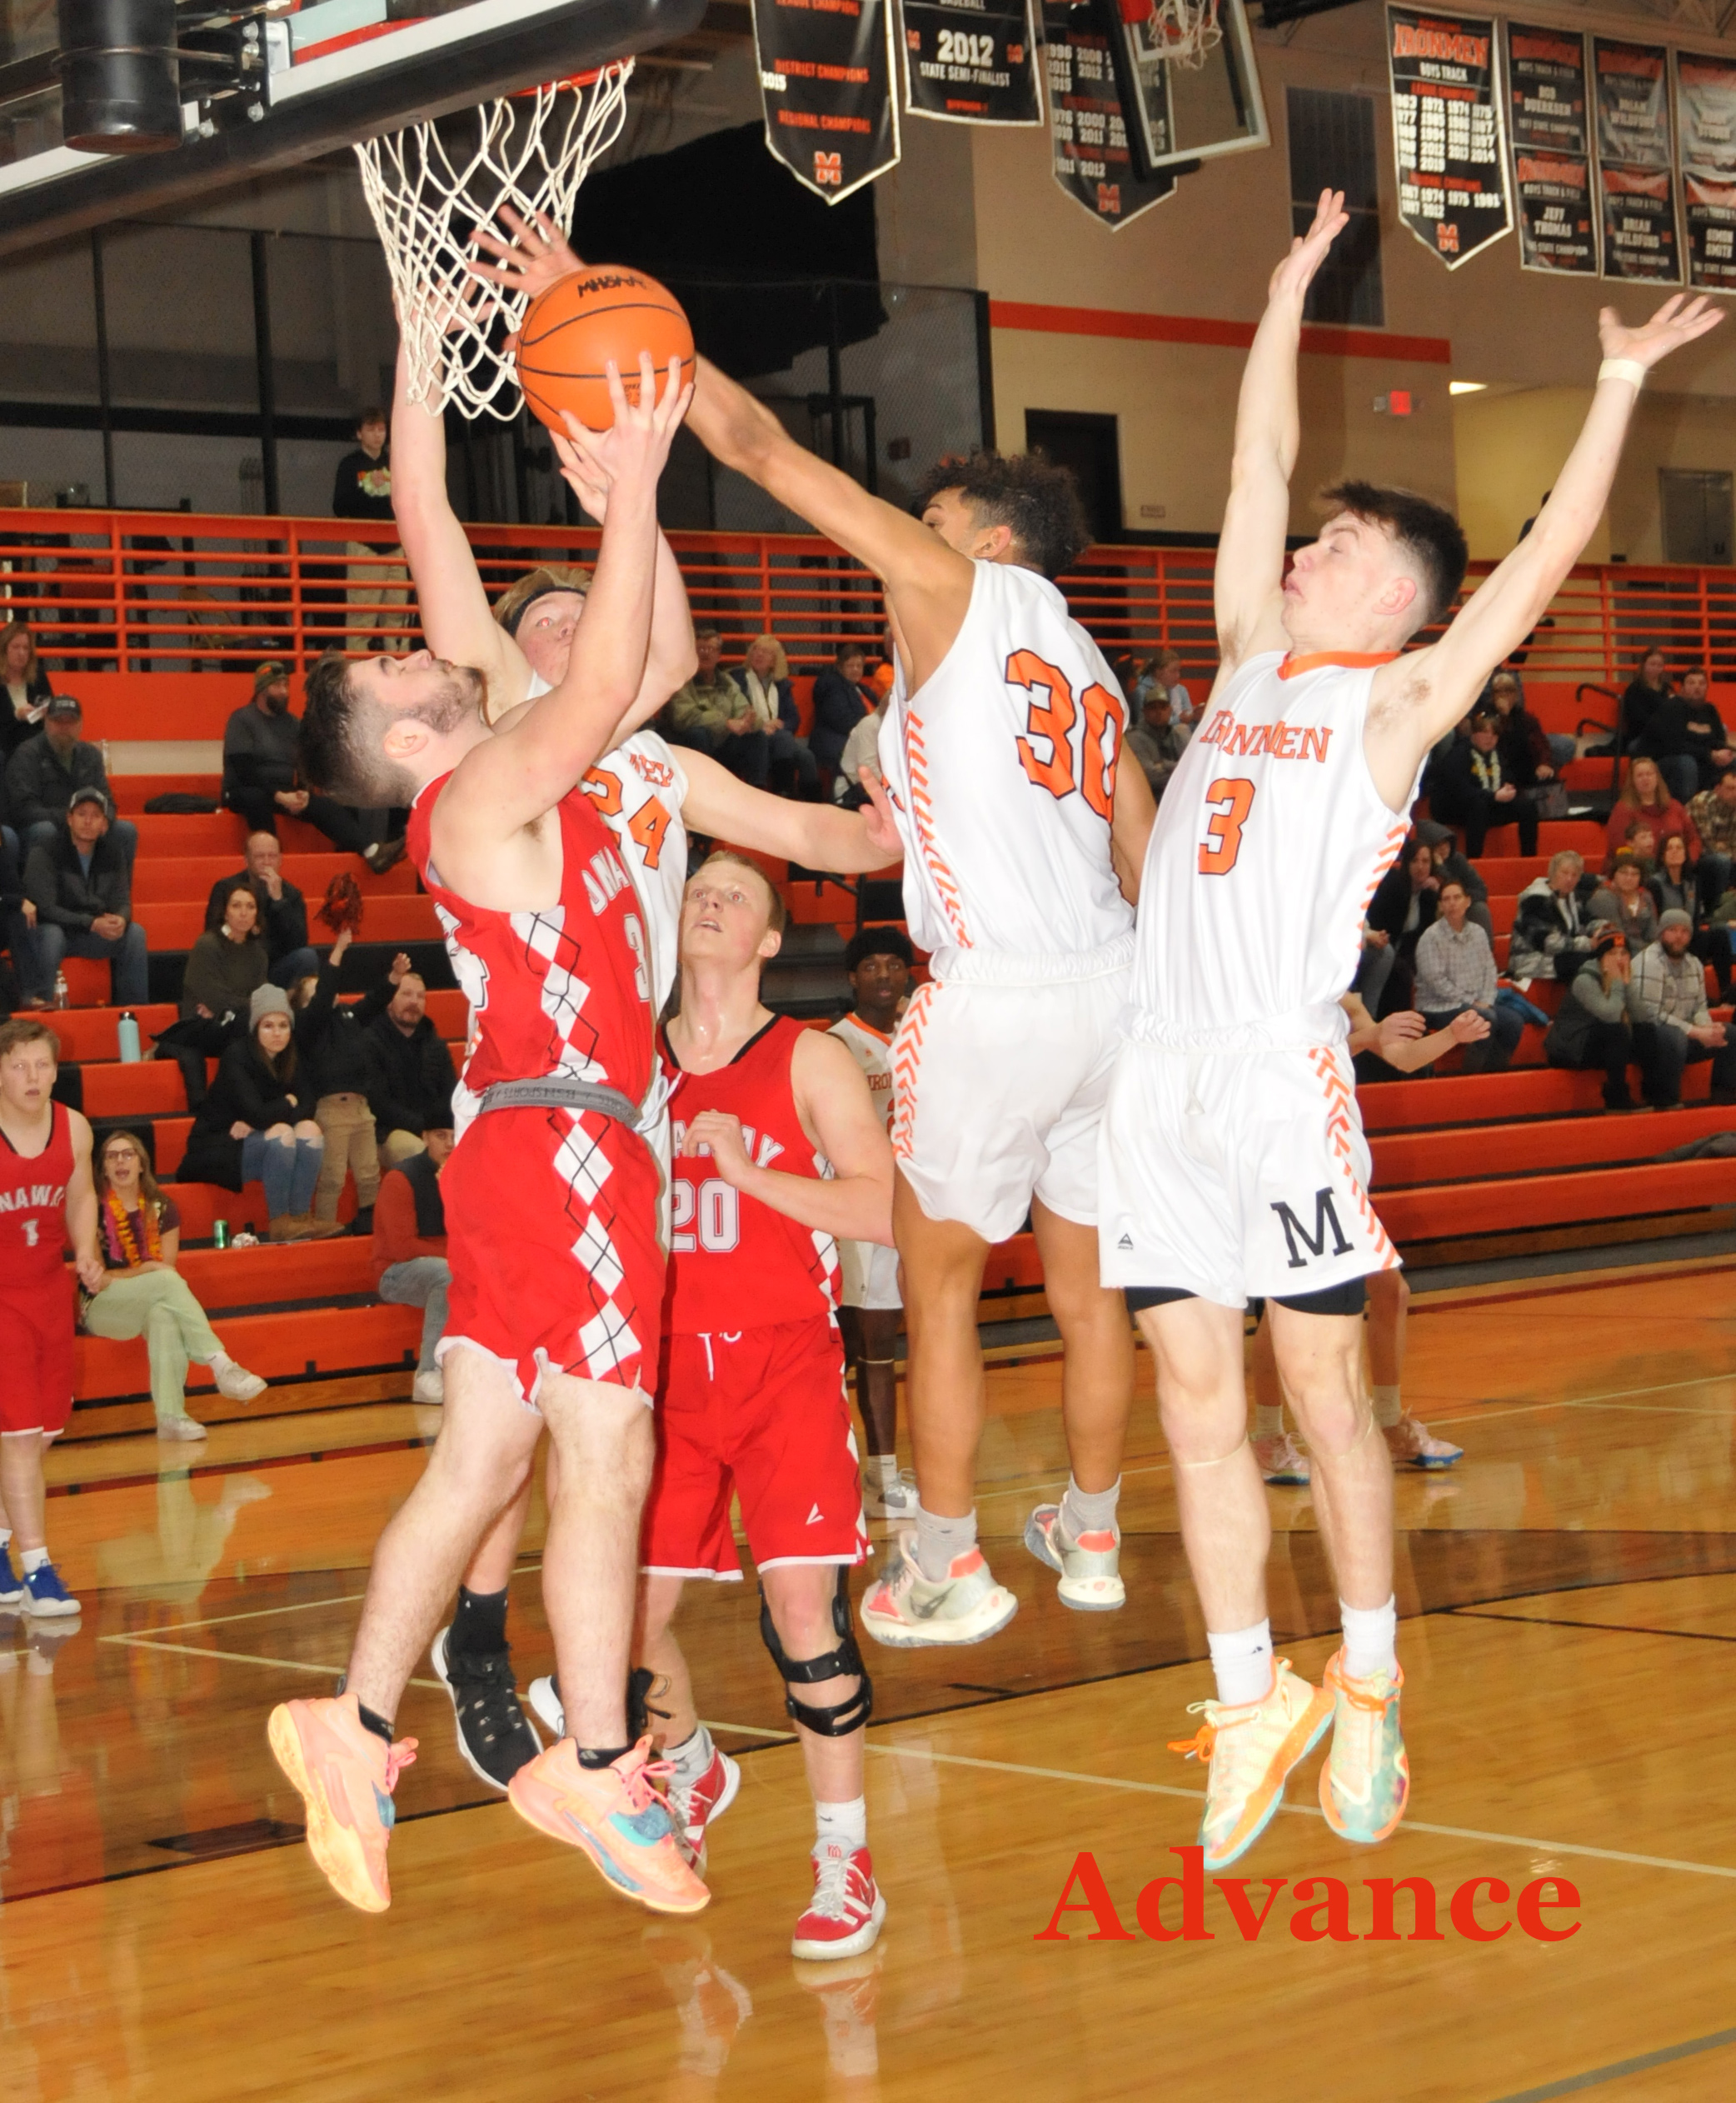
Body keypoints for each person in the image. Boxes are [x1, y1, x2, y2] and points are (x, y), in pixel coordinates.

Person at [1098, 190, 1719, 1870]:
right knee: (1189, 1404)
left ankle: (1364, 1684)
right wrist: (1288, 288)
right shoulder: (1239, 658)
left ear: (1399, 592)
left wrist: (1604, 393)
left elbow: (1536, 568)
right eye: (1312, 536)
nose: (1303, 545)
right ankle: (1248, 1696)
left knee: (1317, 1395)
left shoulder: (1395, 697)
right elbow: (1248, 467)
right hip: (1152, 1074)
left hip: (1277, 1072)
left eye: (1340, 543)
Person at [381, 223, 905, 1794]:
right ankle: (481, 1629)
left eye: (572, 618)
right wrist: (425, 360)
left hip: (644, 1086)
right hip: (536, 1091)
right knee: (535, 1417)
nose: (558, 636)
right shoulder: (504, 719)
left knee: (599, 1415)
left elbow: (826, 826)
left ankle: (619, 1699)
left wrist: (911, 801)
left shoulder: (656, 746)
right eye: (532, 628)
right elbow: (427, 523)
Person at [272, 347, 706, 1920]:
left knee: (480, 1462)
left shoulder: (501, 770)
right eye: (396, 668)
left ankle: (355, 1716)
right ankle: (595, 1755)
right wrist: (636, 478)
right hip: (570, 1142)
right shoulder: (472, 791)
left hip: (533, 1149)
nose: (417, 651)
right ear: (399, 740)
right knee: (608, 1446)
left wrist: (412, 345)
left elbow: (602, 636)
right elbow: (600, 684)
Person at [681, 305, 1157, 1651]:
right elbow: (1138, 837)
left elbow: (765, 449)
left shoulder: (956, 590)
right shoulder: (1080, 652)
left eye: (932, 514)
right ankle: (1091, 1524)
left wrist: (657, 345)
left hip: (998, 987)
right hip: (1107, 983)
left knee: (936, 1280)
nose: (908, 532)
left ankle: (943, 1562)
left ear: (987, 537)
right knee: (1086, 1291)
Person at [531, 853, 895, 1960]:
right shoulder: (627, 1060)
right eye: (699, 887)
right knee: (612, 1636)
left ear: (772, 942)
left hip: (783, 1362)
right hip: (661, 1376)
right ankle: (691, 1767)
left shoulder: (810, 1056)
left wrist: (749, 1178)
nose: (709, 899)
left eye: (736, 895)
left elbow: (884, 1210)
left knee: (805, 1623)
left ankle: (846, 1859)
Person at [0, 1017, 100, 1619]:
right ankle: (38, 1568)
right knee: (16, 1436)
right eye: (18, 1066)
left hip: (47, 1293)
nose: (32, 1077)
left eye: (41, 1065)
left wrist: (85, 1249)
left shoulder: (75, 1127)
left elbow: (81, 1194)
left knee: (40, 1437)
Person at [80, 1128, 267, 1440]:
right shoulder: (92, 1209)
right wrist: (148, 1269)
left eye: (128, 1154)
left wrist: (149, 1270)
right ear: (103, 1168)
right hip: (103, 1306)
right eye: (111, 1156)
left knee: (164, 1315)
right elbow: (100, 1279)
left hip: (150, 1300)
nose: (120, 1161)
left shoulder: (164, 1208)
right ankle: (220, 1364)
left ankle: (171, 1418)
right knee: (165, 1279)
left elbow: (163, 1271)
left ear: (142, 1164)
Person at [829, 924, 916, 1523]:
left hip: (917, 1203)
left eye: (894, 964)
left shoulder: (923, 1031)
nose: (883, 975)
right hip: (862, 1211)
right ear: (852, 977)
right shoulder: (836, 1046)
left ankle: (882, 1470)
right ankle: (879, 1478)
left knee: (900, 1345)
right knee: (873, 1350)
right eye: (871, 966)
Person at [178, 987, 343, 1242]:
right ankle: (279, 1222)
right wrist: (286, 1104)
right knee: (284, 1132)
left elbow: (308, 1105)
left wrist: (262, 1122)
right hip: (219, 1147)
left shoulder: (292, 1056)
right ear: (255, 1027)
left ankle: (300, 1218)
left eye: (283, 1025)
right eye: (268, 1026)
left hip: (258, 1140)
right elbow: (257, 1112)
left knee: (309, 1129)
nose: (277, 1033)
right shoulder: (237, 1055)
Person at [222, 662, 403, 871]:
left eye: (286, 686)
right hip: (245, 789)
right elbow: (243, 769)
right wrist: (278, 795)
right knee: (256, 800)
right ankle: (268, 861)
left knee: (323, 805)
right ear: (262, 690)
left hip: (283, 791)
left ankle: (371, 851)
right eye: (277, 686)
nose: (284, 692)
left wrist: (303, 792)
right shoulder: (242, 719)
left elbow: (305, 763)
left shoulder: (292, 724)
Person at [289, 927, 394, 1231]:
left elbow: (373, 1004)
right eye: (317, 990)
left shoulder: (347, 1016)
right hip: (333, 1109)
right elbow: (321, 1003)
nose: (326, 991)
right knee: (333, 1175)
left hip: (361, 1108)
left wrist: (393, 979)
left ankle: (370, 1225)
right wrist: (337, 953)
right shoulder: (309, 1026)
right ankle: (325, 1225)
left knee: (369, 1172)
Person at [24, 788, 148, 1006]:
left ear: (104, 823)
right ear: (69, 819)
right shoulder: (45, 850)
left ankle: (134, 1010)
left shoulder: (112, 852)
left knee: (135, 933)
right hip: (55, 930)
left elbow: (122, 898)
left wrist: (121, 918)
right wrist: (91, 923)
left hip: (90, 933)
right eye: (82, 814)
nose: (88, 821)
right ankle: (41, 1004)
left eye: (96, 815)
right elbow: (45, 908)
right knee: (52, 935)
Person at [7, 695, 137, 877]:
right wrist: (71, 820)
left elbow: (106, 800)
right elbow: (23, 810)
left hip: (84, 823)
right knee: (44, 830)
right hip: (43, 828)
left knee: (125, 831)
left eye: (70, 721)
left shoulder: (91, 755)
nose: (64, 727)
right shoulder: (27, 754)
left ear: (81, 724)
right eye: (57, 721)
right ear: (46, 722)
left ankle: (117, 902)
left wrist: (104, 818)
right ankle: (40, 902)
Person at [373, 1118, 453, 1406]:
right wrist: (462, 1259)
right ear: (425, 1137)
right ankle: (427, 1374)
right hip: (396, 1273)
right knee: (447, 1275)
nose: (449, 1143)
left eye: (456, 1135)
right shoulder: (402, 1178)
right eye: (440, 1134)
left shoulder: (470, 1177)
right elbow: (402, 1247)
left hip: (446, 1264)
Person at [1412, 878, 1523, 1071]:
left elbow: (1490, 970)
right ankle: (1470, 1076)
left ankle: (1494, 1073)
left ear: (1468, 901)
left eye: (1457, 897)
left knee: (1513, 1021)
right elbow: (1437, 982)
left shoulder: (1478, 932)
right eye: (1446, 899)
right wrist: (1471, 1002)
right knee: (1484, 1018)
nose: (1452, 903)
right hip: (1438, 1006)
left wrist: (1486, 1000)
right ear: (1441, 905)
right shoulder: (1430, 937)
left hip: (1477, 1003)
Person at [1630, 910, 1736, 1108]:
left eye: (1684, 931)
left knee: (1729, 1033)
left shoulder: (1694, 964)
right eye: (1672, 930)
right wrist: (1694, 1031)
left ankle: (1723, 1102)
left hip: (1685, 1033)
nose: (1679, 936)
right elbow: (1650, 1013)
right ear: (1661, 933)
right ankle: (1666, 1102)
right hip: (1648, 1037)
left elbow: (1700, 1006)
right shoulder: (1648, 962)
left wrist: (1707, 1028)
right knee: (1674, 1037)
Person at [362, 963, 459, 1169]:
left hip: (433, 1130)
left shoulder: (435, 1044)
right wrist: (426, 1129)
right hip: (387, 1132)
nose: (414, 1002)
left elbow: (450, 1094)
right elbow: (378, 1103)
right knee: (416, 1152)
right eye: (406, 994)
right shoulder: (370, 1041)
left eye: (420, 996)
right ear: (389, 1000)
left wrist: (438, 1131)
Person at [203, 831, 318, 987]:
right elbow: (213, 934)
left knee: (307, 957)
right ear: (246, 859)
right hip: (238, 966)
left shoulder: (292, 895)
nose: (266, 862)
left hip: (275, 969)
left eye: (272, 856)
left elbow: (299, 943)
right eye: (259, 856)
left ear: (280, 860)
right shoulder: (225, 888)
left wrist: (278, 901)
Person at [333, 406, 407, 646]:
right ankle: (356, 671)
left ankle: (400, 666)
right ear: (359, 434)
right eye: (371, 429)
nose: (378, 434)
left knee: (397, 614)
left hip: (395, 545)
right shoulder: (349, 465)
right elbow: (340, 506)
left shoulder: (396, 462)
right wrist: (368, 487)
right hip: (364, 545)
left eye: (382, 429)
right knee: (362, 615)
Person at [665, 625, 770, 787]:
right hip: (687, 746)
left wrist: (749, 722)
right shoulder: (682, 681)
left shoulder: (727, 682)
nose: (705, 653)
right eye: (700, 649)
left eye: (711, 649)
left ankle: (757, 790)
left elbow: (744, 710)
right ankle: (702, 789)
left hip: (722, 745)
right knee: (699, 734)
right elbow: (684, 717)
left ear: (719, 655)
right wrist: (726, 723)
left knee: (757, 737)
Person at [1544, 939, 1639, 1111]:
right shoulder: (1584, 979)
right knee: (1617, 1032)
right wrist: (1618, 982)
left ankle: (1660, 1098)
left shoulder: (1621, 975)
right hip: (1569, 1047)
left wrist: (1627, 983)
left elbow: (1641, 1015)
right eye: (1612, 954)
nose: (1618, 959)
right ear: (1601, 958)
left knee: (1648, 1031)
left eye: (1623, 953)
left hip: (1595, 1041)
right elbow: (1610, 1015)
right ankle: (1617, 1100)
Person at [1426, 708, 1538, 856]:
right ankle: (1475, 861)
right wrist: (1493, 797)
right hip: (1456, 807)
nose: (1489, 738)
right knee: (1478, 806)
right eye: (1485, 733)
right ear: (1474, 733)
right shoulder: (1459, 754)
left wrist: (1509, 788)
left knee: (1528, 806)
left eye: (1494, 734)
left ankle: (1528, 858)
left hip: (1488, 803)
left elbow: (1507, 777)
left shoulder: (1497, 755)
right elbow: (1461, 790)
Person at [1357, 835, 1438, 1016]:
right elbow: (1378, 923)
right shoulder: (1393, 884)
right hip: (1378, 945)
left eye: (1426, 861)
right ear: (1407, 863)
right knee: (1400, 973)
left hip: (1406, 953)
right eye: (1415, 861)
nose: (1421, 866)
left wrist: (1438, 893)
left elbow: (1426, 937)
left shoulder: (1429, 896)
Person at [1509, 848, 1611, 986]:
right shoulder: (1535, 899)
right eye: (1564, 873)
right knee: (1582, 962)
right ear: (1552, 873)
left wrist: (1602, 928)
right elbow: (1547, 942)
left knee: (1608, 950)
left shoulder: (1570, 896)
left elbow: (1585, 920)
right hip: (1531, 959)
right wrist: (1587, 944)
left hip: (1560, 956)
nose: (1569, 879)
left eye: (1575, 875)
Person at [1634, 665, 1734, 803]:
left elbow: (1718, 741)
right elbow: (1675, 745)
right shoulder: (1672, 707)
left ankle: (1724, 810)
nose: (1697, 687)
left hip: (1699, 759)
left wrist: (1726, 752)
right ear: (1682, 687)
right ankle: (1685, 812)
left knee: (1732, 761)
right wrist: (1710, 754)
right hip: (1663, 763)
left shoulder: (1710, 710)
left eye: (1701, 683)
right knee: (1687, 763)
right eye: (1691, 683)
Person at [1647, 831, 1729, 999]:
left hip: (1690, 934)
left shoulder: (1693, 882)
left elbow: (1696, 917)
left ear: (1685, 854)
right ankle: (1695, 996)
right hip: (1666, 939)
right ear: (1662, 856)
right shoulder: (1655, 883)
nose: (1675, 851)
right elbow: (1655, 920)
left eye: (1679, 847)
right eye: (1670, 848)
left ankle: (1726, 994)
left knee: (1719, 935)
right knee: (1695, 942)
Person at [739, 634, 820, 800]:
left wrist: (779, 725)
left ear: (774, 661)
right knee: (783, 740)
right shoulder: (739, 680)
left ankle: (813, 803)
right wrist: (762, 726)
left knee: (807, 756)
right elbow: (738, 711)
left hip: (777, 736)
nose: (759, 655)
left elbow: (793, 719)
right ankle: (784, 793)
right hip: (752, 736)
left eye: (766, 652)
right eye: (756, 649)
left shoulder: (782, 685)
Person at [1605, 754, 1698, 870]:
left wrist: (1687, 860)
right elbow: (1620, 848)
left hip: (1679, 866)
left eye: (1649, 774)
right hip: (1640, 869)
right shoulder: (1623, 809)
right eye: (1640, 775)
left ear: (1657, 778)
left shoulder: (1675, 806)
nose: (1645, 779)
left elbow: (1693, 839)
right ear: (1632, 782)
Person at [810, 642, 871, 781]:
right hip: (835, 742)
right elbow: (844, 721)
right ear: (840, 667)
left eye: (859, 666)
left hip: (862, 738)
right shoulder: (832, 686)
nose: (855, 670)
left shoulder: (864, 690)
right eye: (850, 666)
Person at [0, 621, 52, 772]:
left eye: (26, 648)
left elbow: (50, 704)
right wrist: (16, 715)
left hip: (34, 739)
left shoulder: (38, 676)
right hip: (5, 742)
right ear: (4, 650)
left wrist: (45, 713)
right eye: (16, 647)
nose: (21, 653)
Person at [1590, 848, 1662, 952]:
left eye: (1635, 874)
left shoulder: (1646, 896)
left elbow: (1653, 932)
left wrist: (1656, 950)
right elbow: (1618, 935)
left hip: (1646, 952)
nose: (1629, 878)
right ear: (1614, 874)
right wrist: (1648, 951)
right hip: (1615, 951)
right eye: (1624, 873)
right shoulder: (1604, 897)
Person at [1126, 689, 1190, 802]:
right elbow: (1148, 776)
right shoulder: (1135, 738)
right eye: (1153, 708)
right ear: (1144, 711)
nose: (1158, 712)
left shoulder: (1178, 735)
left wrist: (1164, 764)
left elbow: (1191, 769)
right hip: (1150, 800)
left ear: (1170, 710)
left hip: (1178, 799)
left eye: (1163, 707)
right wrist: (1181, 771)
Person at [1688, 762, 1736, 903]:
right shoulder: (1701, 802)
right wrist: (1726, 849)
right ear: (1717, 789)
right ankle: (1714, 910)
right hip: (1697, 861)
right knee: (1721, 860)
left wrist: (1726, 848)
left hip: (1726, 858)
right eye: (1731, 789)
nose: (1735, 794)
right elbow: (1708, 845)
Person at [1619, 647, 1673, 752]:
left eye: (1660, 665)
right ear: (1644, 665)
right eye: (1652, 664)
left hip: (1665, 737)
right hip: (1641, 738)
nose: (1656, 668)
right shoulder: (1634, 690)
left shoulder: (1667, 689)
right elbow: (1637, 720)